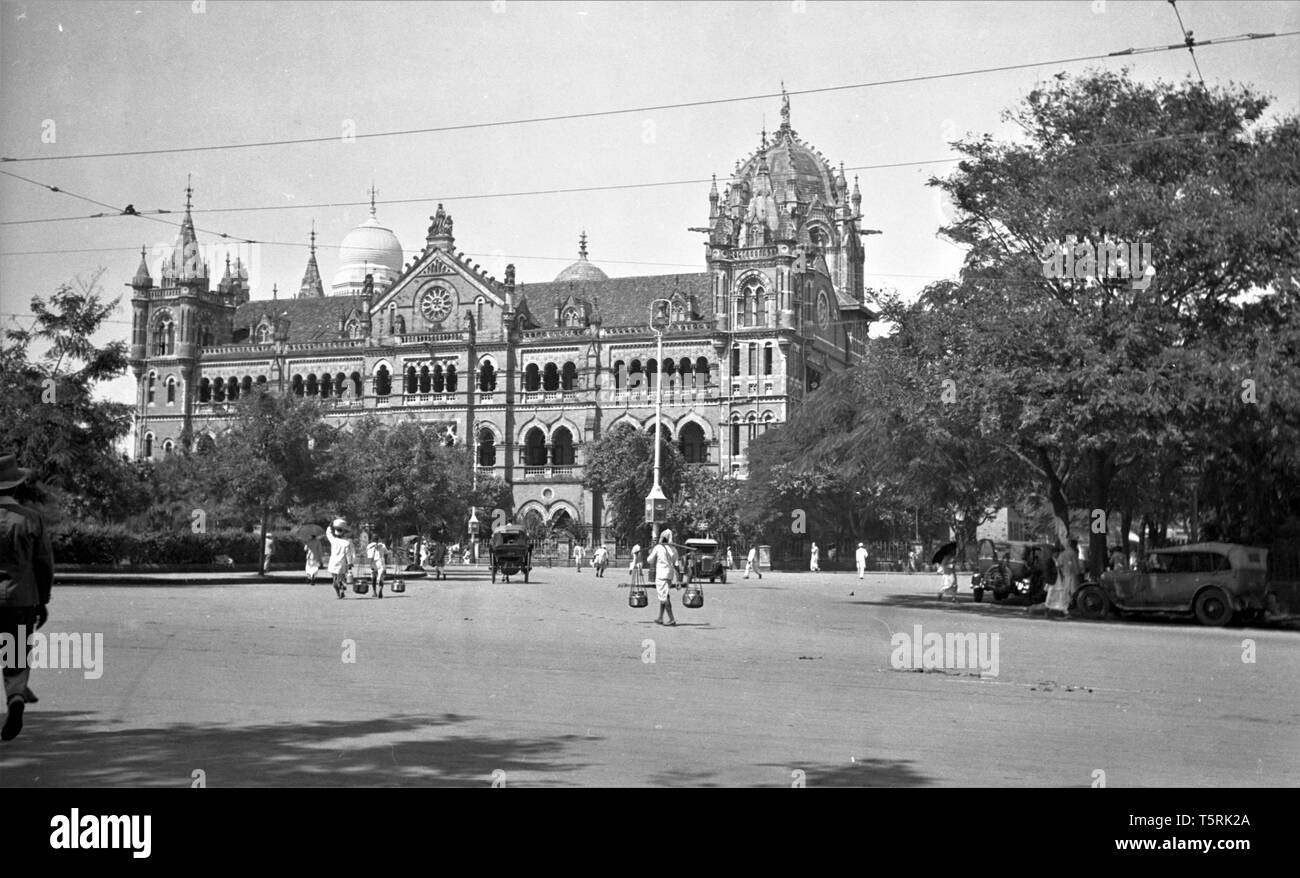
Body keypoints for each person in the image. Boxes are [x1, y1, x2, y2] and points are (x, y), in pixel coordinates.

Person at [0, 454, 54, 742]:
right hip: (20, 600)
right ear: (15, 486)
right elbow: (44, 565)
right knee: (15, 654)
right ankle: (16, 697)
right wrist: (42, 600)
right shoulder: (32, 520)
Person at [648, 530, 679, 626]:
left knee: (664, 597)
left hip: (661, 575)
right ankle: (660, 617)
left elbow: (650, 560)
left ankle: (672, 619)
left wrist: (651, 552)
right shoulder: (674, 549)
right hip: (669, 575)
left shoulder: (658, 547)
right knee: (665, 595)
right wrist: (678, 579)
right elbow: (676, 564)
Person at [326, 518, 356, 599]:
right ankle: (342, 589)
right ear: (343, 532)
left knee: (334, 579)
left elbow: (328, 533)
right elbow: (348, 554)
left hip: (333, 563)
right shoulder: (346, 543)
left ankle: (338, 593)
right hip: (342, 564)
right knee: (342, 578)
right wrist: (350, 563)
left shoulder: (333, 540)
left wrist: (330, 524)